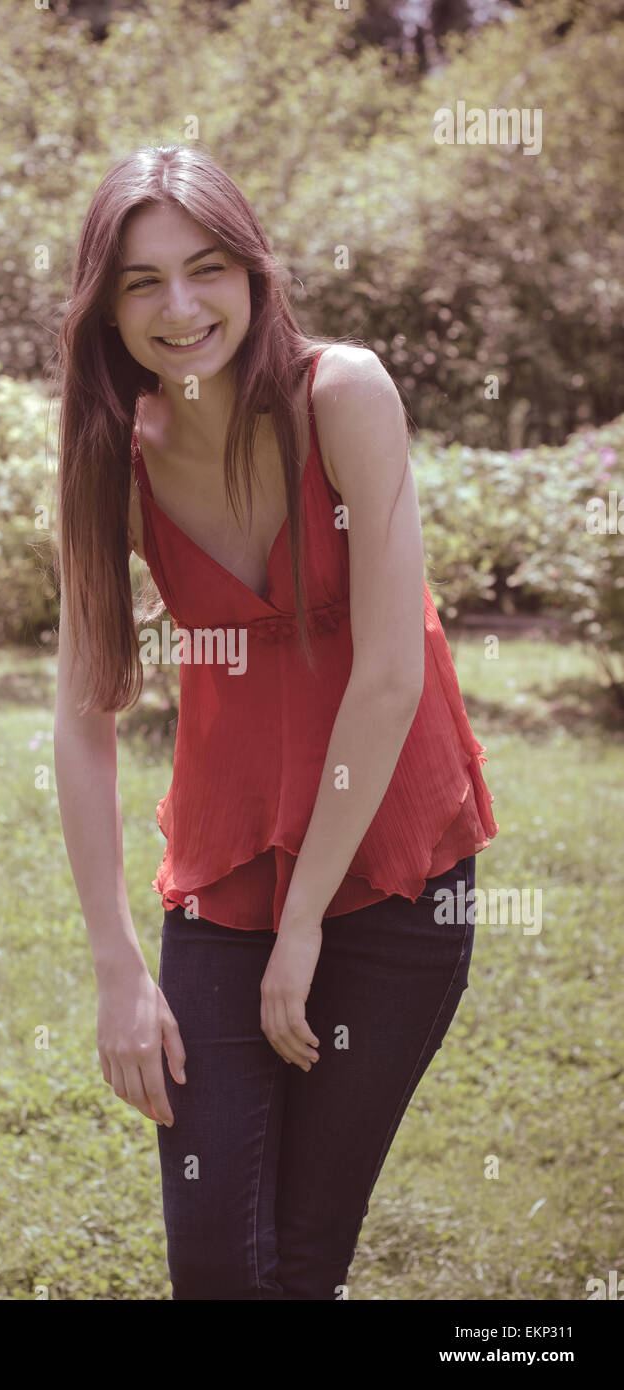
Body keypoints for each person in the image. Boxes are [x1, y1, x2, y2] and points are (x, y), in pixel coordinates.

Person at [52, 143, 498, 1300]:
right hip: (227, 866)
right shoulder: (116, 450)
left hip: (394, 866)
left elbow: (391, 672)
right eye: (143, 281)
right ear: (105, 302)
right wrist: (115, 965)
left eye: (206, 269)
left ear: (253, 272)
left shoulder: (342, 392)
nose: (181, 307)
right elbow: (84, 713)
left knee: (299, 1262)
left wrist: (306, 922)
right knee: (214, 1266)